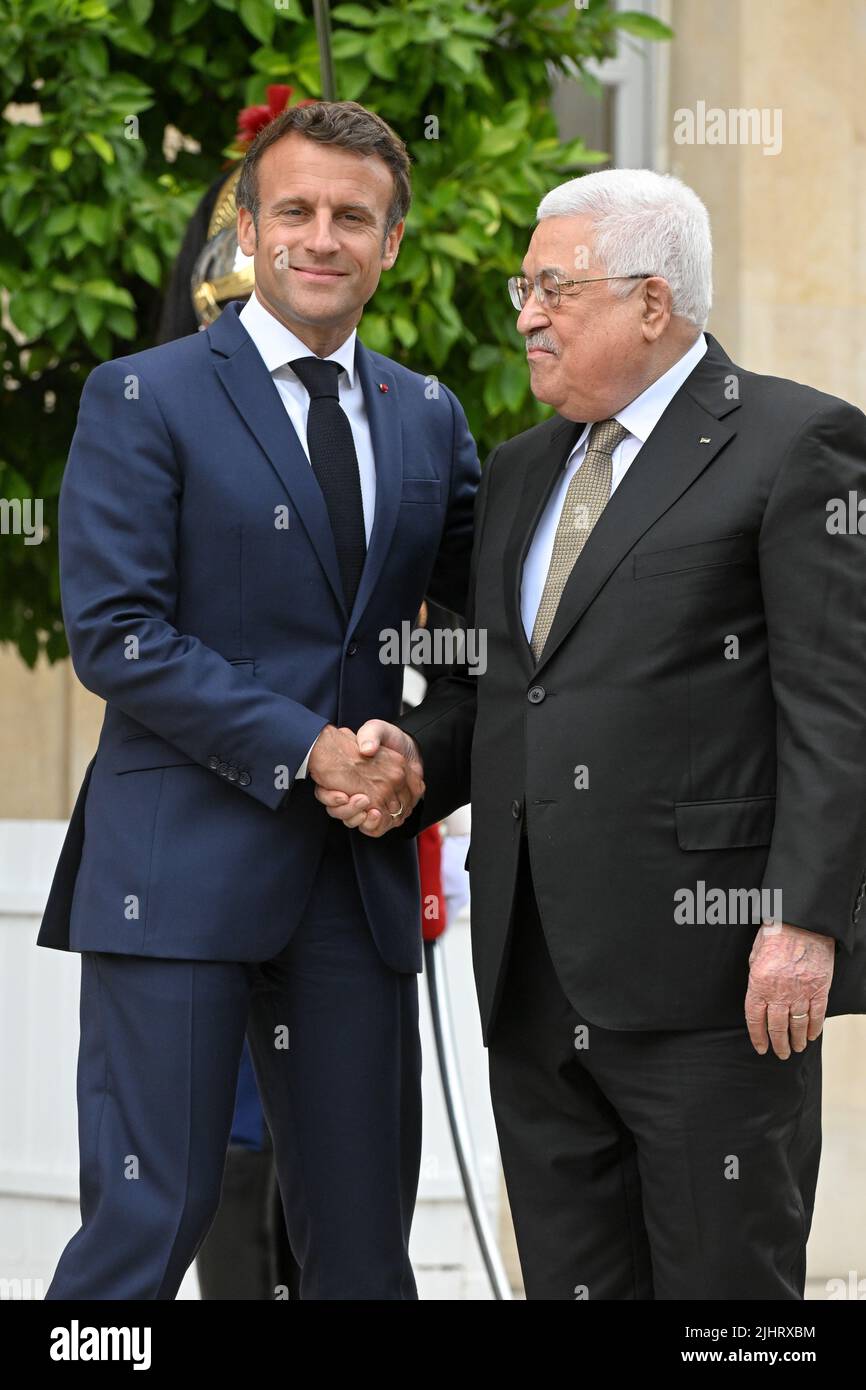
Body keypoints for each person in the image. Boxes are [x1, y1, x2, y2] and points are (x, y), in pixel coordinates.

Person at [317, 168, 866, 1300]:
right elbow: (509, 694)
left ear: (650, 303)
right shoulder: (520, 471)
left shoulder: (793, 442)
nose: (523, 312)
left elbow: (836, 704)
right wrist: (413, 771)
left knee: (725, 1299)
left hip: (715, 979)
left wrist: (805, 921)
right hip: (532, 979)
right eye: (525, 286)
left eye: (551, 288)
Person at [39, 99, 479, 1300]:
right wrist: (312, 750)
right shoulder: (142, 396)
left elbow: (491, 641)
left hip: (355, 883)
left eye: (353, 215)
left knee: (360, 1251)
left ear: (391, 243)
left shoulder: (428, 415)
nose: (321, 236)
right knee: (143, 1229)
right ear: (247, 226)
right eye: (293, 209)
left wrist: (413, 760)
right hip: (175, 865)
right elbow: (118, 636)